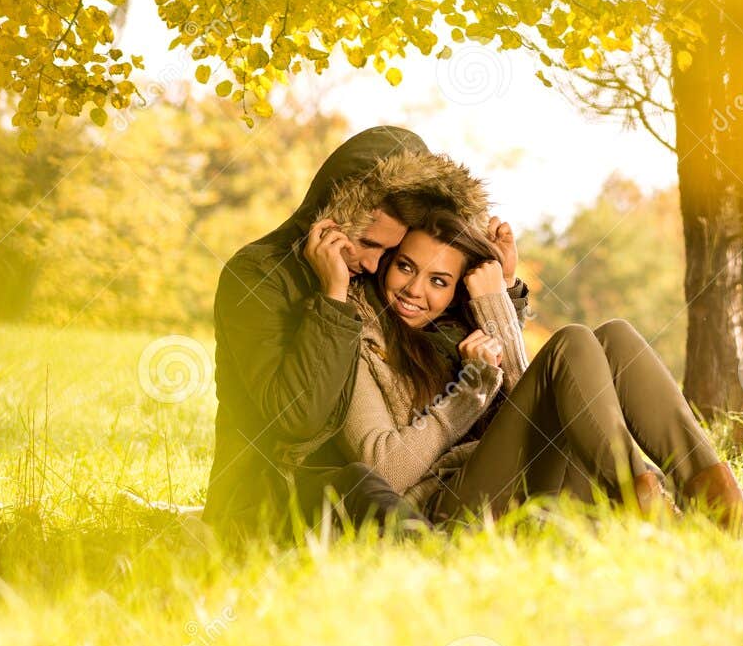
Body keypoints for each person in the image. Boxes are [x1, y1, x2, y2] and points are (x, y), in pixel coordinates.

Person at [336, 208, 743, 534]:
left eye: (439, 281)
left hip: (523, 486)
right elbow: (385, 471)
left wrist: (497, 296)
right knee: (571, 341)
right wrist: (467, 398)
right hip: (453, 510)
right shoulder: (362, 342)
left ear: (456, 291)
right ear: (388, 262)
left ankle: (726, 511)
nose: (414, 290)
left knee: (615, 337)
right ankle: (652, 511)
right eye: (406, 267)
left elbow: (532, 407)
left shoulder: (454, 334)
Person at [202, 126, 531, 541]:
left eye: (389, 252)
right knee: (362, 484)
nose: (376, 265)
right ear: (334, 216)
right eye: (367, 242)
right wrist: (333, 299)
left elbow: (465, 363)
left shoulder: (373, 281)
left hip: (384, 485)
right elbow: (297, 420)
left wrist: (502, 289)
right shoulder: (256, 276)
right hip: (277, 494)